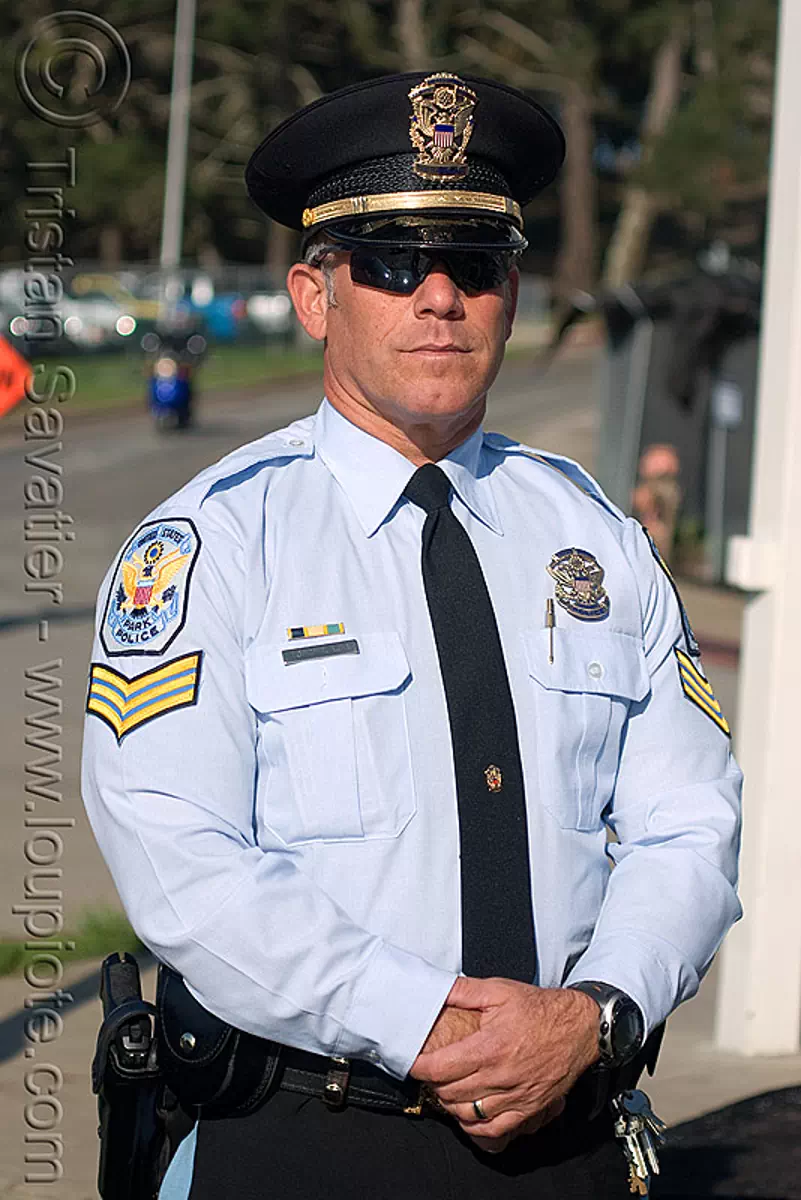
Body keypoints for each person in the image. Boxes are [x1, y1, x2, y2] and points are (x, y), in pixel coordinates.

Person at [81, 71, 742, 1199]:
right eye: (393, 263)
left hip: (569, 1122)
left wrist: (603, 1012)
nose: (439, 296)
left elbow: (691, 817)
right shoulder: (211, 543)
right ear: (313, 294)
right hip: (310, 1136)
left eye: (474, 265)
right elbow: (181, 861)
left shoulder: (594, 534)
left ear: (514, 294)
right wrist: (430, 1023)